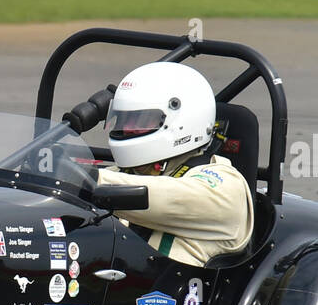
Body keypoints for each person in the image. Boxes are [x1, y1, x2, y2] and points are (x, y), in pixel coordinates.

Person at [95, 61, 253, 266]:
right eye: (124, 120)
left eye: (141, 121)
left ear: (182, 122)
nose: (128, 129)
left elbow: (165, 197)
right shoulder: (122, 173)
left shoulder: (225, 187)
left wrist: (85, 178)